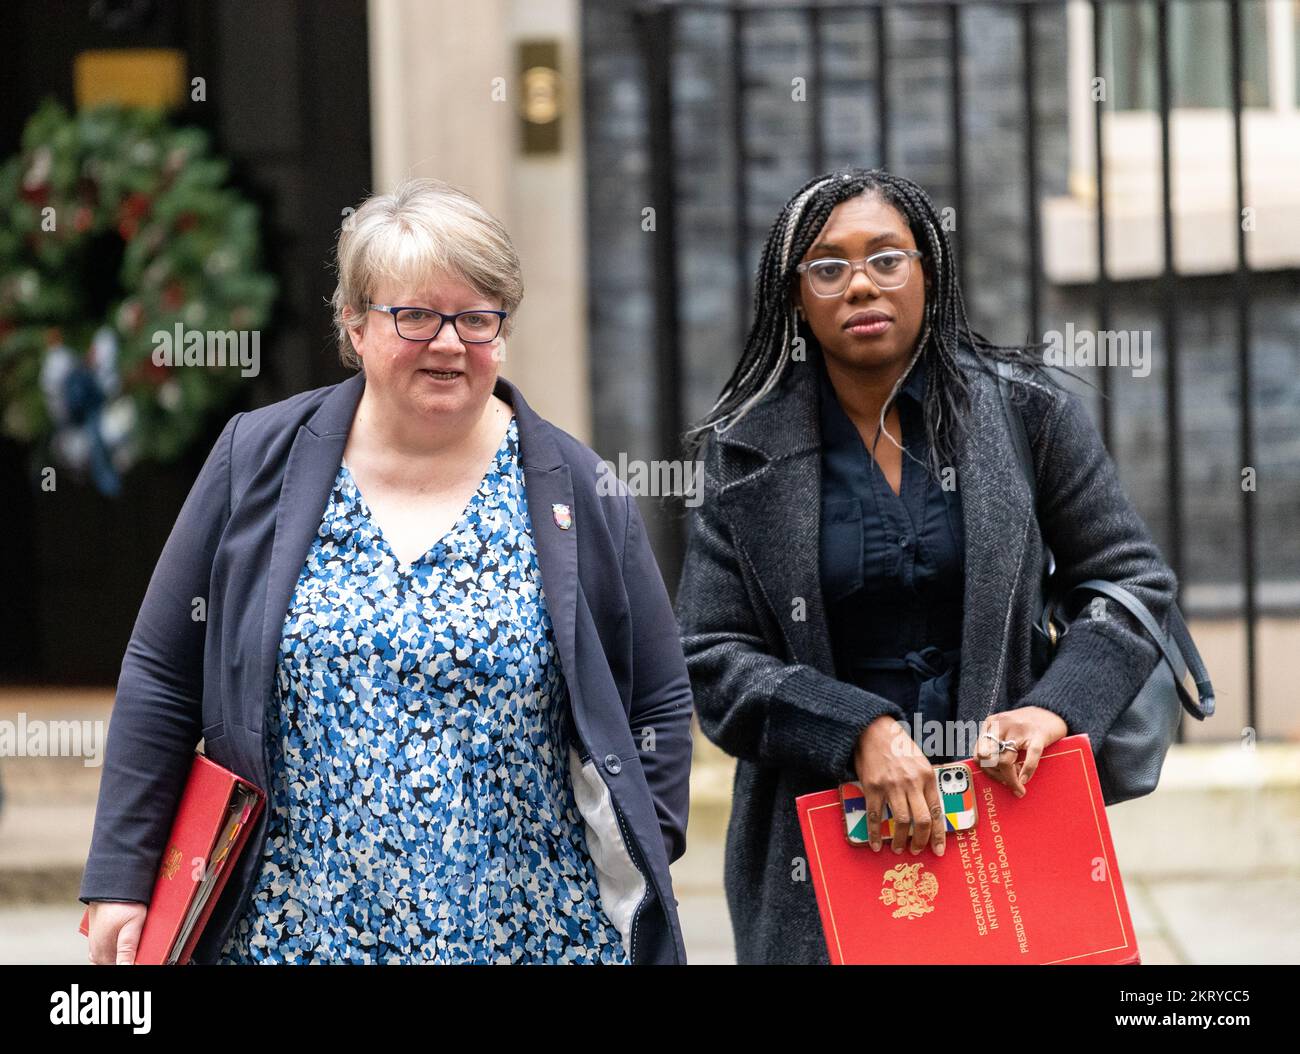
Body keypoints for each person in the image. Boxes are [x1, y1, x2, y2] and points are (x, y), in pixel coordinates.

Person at [80, 177, 693, 965]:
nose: (448, 343)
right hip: (292, 937)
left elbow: (660, 692)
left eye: (477, 319)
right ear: (355, 325)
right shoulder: (255, 460)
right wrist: (122, 877)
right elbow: (163, 672)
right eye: (416, 316)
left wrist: (648, 839)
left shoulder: (573, 482)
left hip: (532, 936)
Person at [674, 168, 1177, 964]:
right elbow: (713, 659)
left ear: (928, 272)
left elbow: (1132, 582)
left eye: (886, 258)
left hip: (1011, 827)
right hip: (819, 856)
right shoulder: (745, 455)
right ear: (796, 297)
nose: (860, 285)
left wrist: (1054, 710)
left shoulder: (1025, 414)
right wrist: (856, 730)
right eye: (829, 267)